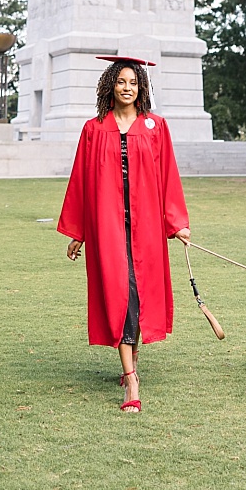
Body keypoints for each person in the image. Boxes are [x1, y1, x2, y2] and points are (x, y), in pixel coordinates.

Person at [56, 58, 189, 413]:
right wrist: (78, 233)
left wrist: (176, 222)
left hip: (144, 226)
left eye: (133, 82)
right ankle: (131, 378)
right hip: (106, 226)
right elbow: (81, 183)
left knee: (138, 292)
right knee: (120, 290)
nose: (127, 87)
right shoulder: (94, 128)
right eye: (121, 82)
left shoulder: (155, 126)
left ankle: (131, 351)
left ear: (141, 87)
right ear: (110, 86)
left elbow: (168, 176)